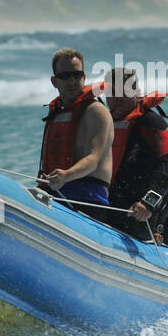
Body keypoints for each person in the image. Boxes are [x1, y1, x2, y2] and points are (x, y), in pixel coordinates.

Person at [105, 67, 168, 248]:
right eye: (112, 93)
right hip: (128, 207)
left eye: (123, 93)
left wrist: (149, 203)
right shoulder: (108, 123)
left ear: (136, 93)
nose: (116, 100)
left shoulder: (152, 123)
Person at [38, 48, 113, 220]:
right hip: (57, 193)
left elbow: (93, 159)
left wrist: (66, 175)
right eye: (65, 76)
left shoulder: (96, 112)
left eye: (77, 75)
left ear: (84, 78)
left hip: (88, 199)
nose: (72, 81)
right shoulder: (56, 115)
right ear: (54, 81)